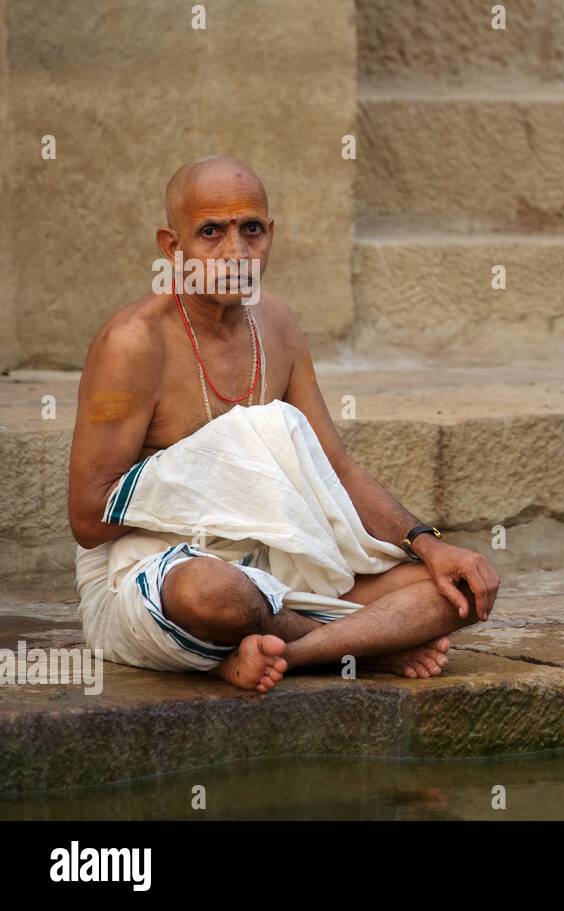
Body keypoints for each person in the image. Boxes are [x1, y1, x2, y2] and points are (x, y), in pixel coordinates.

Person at [69, 156, 500, 691]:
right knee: (215, 595)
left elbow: (336, 465)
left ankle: (293, 653)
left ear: (270, 234)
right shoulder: (134, 343)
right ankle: (364, 648)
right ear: (171, 247)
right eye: (210, 232)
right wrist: (229, 476)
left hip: (282, 561)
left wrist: (432, 546)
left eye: (251, 230)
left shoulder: (277, 323)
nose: (236, 252)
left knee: (453, 592)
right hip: (158, 569)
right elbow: (89, 518)